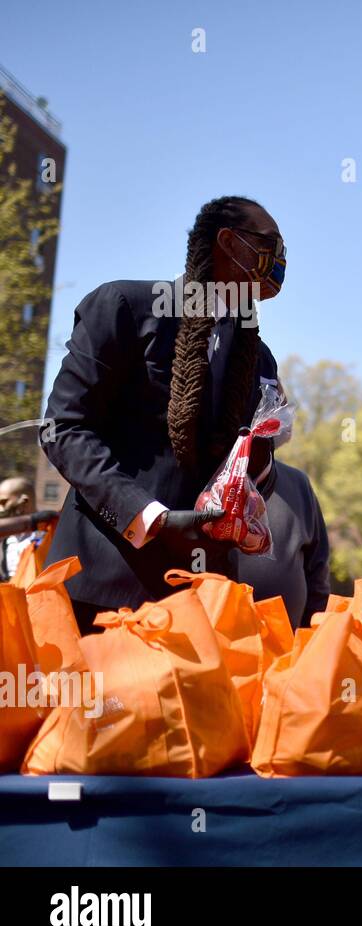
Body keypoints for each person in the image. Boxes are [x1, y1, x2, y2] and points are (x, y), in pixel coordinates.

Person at [41, 196, 285, 633]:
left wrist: (259, 470)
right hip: (100, 592)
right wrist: (150, 516)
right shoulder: (123, 307)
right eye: (269, 246)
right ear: (226, 243)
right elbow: (63, 428)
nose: (280, 263)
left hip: (201, 599)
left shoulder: (260, 358)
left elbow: (252, 477)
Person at [229, 458, 330, 627]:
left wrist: (310, 641)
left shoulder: (298, 484)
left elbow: (317, 575)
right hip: (216, 645)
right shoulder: (200, 481)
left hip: (290, 647)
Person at [0, 477, 58, 581]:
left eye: (3, 502)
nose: (0, 508)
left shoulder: (52, 533)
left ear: (24, 501)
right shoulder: (4, 538)